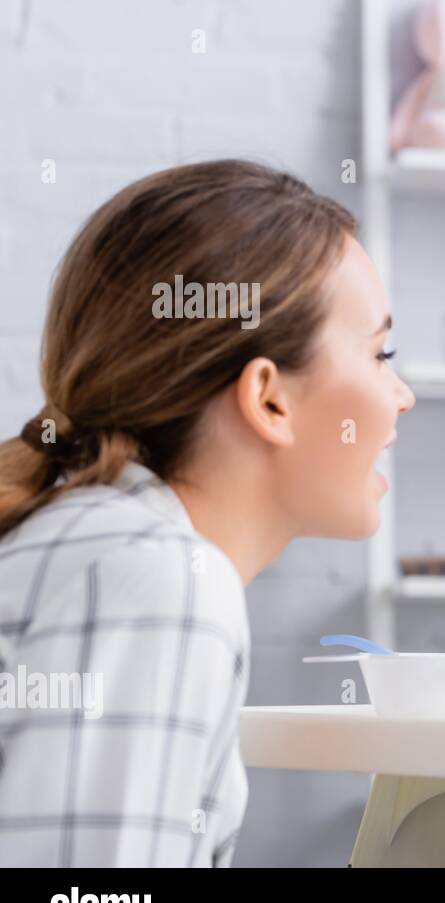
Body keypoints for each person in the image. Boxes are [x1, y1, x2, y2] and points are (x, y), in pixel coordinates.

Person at [0, 159, 415, 865]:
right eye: (381, 353)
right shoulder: (158, 575)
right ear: (269, 399)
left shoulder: (103, 543)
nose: (401, 394)